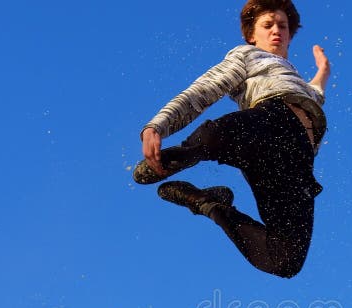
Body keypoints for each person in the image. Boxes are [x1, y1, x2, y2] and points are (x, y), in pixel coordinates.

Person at [134, 0, 330, 279]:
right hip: (269, 123)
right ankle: (176, 157)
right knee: (217, 135)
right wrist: (157, 126)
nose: (276, 30)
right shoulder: (249, 56)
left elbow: (315, 93)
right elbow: (204, 90)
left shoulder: (299, 84)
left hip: (297, 162)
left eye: (283, 26)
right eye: (268, 25)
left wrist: (323, 72)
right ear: (251, 35)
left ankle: (210, 204)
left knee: (285, 261)